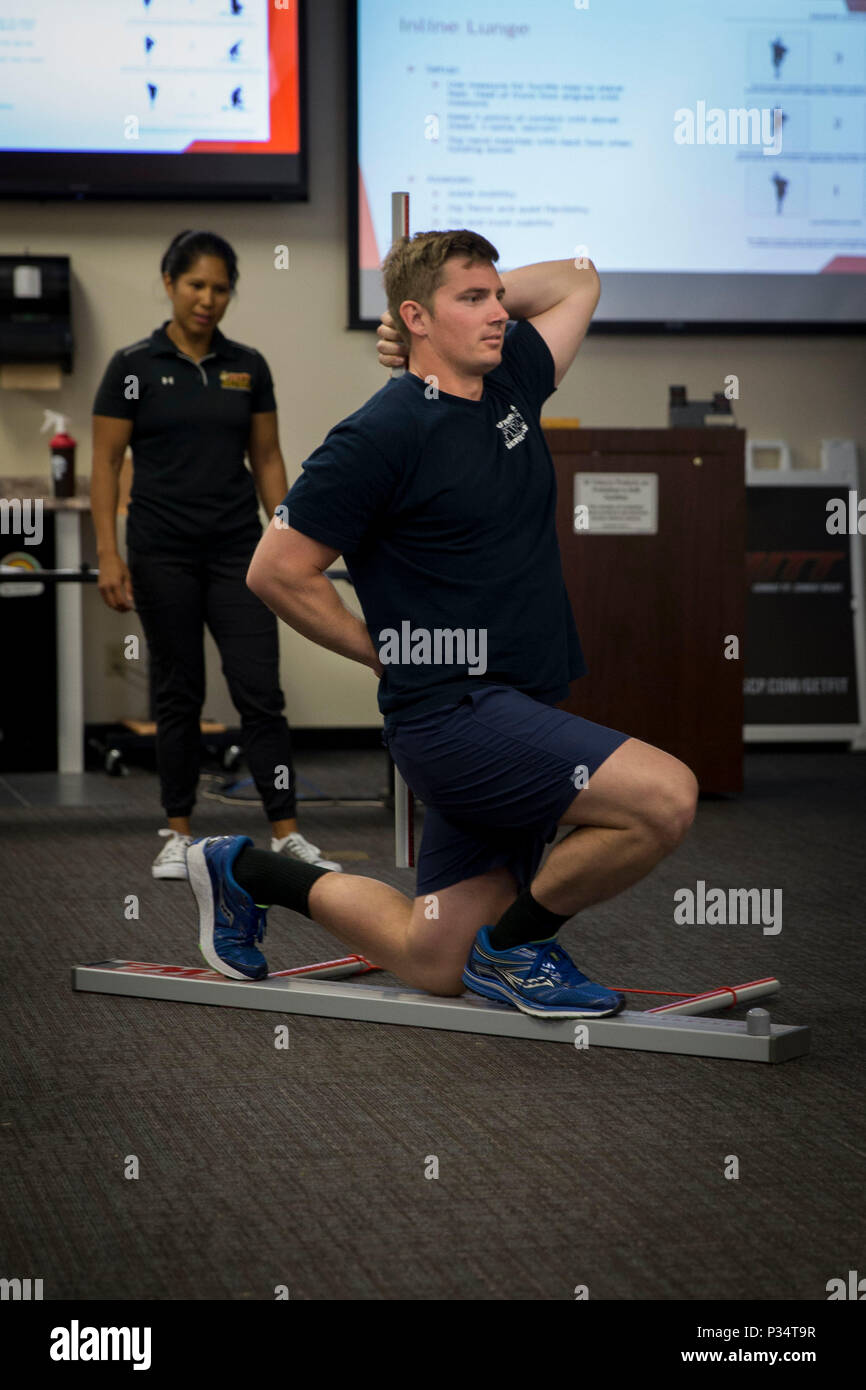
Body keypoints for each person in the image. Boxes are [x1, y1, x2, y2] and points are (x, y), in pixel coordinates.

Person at [184, 229, 698, 1018]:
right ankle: (519, 948)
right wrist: (381, 651)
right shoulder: (380, 435)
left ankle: (247, 872)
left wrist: (450, 300)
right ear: (419, 319)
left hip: (519, 706)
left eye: (498, 296)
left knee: (433, 959)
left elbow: (580, 280)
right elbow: (275, 570)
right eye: (474, 299)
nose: (499, 313)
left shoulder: (514, 382)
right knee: (664, 798)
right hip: (451, 716)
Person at [91, 229, 340, 879]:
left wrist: (290, 539)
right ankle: (176, 832)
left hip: (239, 552)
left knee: (260, 692)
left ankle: (286, 833)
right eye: (196, 285)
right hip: (161, 551)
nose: (208, 299)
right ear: (170, 283)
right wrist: (108, 556)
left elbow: (267, 458)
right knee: (179, 694)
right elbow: (105, 463)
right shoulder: (132, 366)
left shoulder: (248, 366)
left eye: (221, 288)